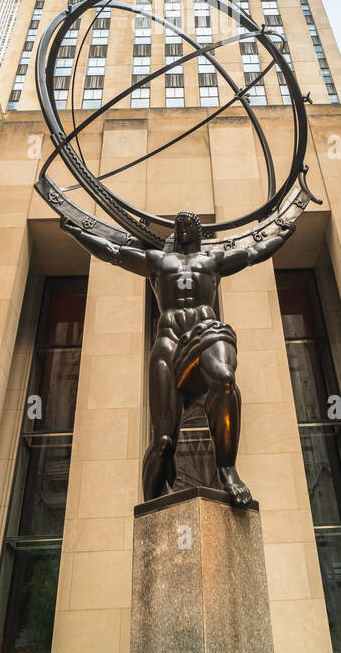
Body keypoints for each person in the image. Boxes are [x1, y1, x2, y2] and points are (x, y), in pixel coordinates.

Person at [61, 208, 295, 505]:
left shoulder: (213, 259)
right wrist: (74, 231)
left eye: (189, 222)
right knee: (163, 441)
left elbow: (254, 252)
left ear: (200, 231)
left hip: (205, 332)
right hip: (169, 338)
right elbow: (112, 252)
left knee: (224, 379)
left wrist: (284, 232)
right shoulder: (158, 261)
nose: (183, 224)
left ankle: (228, 471)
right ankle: (152, 510)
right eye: (179, 222)